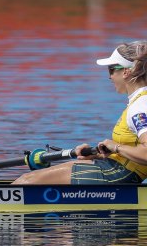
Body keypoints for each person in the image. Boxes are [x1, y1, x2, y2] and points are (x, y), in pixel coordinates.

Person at [13, 41, 147, 185]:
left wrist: (116, 147)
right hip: (116, 169)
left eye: (111, 70)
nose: (110, 77)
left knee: (26, 181)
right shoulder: (139, 102)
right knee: (29, 179)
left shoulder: (140, 106)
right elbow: (134, 149)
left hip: (118, 175)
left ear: (126, 72)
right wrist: (99, 154)